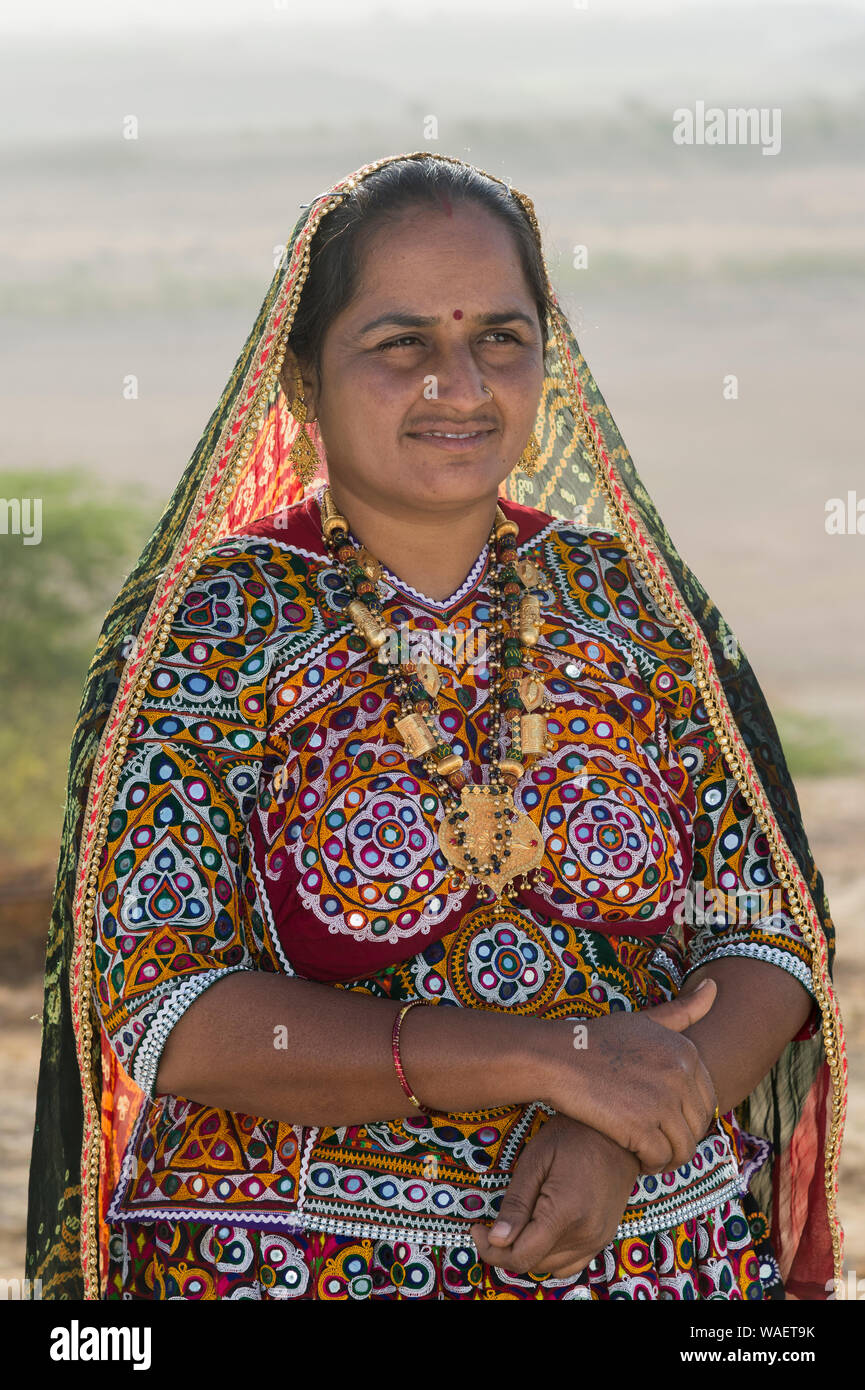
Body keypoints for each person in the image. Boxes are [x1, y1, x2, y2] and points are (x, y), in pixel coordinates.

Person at [26, 152, 845, 1301]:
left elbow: (767, 936)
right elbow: (164, 1009)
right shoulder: (211, 628)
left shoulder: (634, 606)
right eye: (400, 341)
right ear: (303, 379)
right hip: (288, 1263)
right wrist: (547, 1059)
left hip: (667, 1256)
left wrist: (623, 1123)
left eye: (500, 338)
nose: (457, 383)